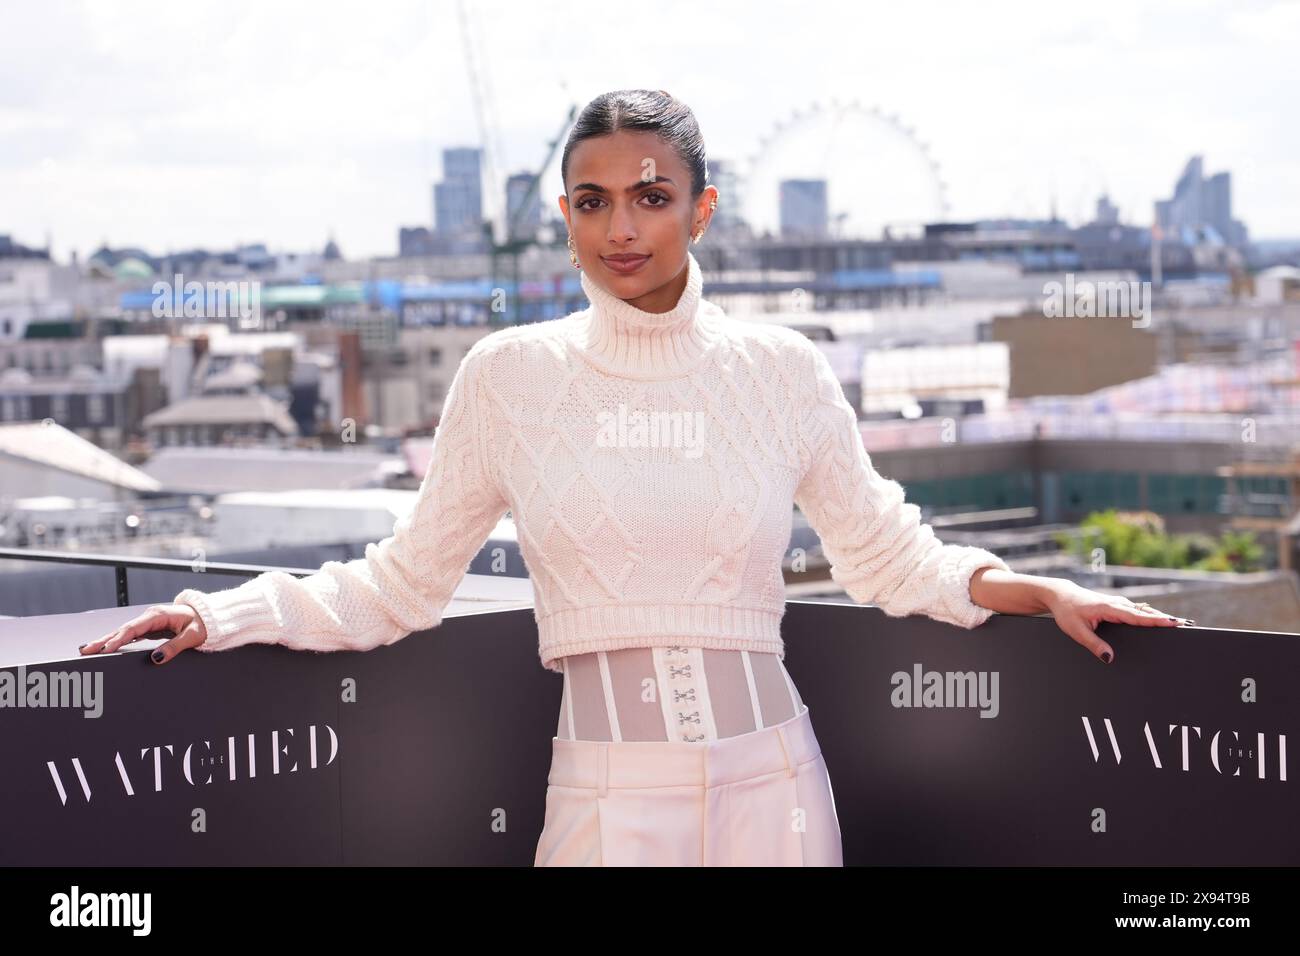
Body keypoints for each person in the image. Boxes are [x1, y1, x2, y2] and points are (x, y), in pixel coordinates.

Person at [80, 89, 1193, 866]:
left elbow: (890, 553)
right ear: (562, 212)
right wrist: (212, 609)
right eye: (590, 199)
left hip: (776, 788)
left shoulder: (781, 368)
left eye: (651, 196)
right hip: (604, 800)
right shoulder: (509, 375)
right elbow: (401, 581)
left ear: (701, 208)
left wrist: (1040, 589)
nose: (620, 226)